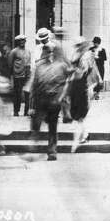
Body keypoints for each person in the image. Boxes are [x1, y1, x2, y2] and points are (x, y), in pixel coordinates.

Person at [29, 30, 72, 160]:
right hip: (41, 99)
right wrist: (31, 105)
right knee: (37, 122)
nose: (49, 54)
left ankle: (52, 151)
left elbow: (69, 82)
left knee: (52, 125)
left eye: (51, 52)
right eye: (47, 52)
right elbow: (34, 86)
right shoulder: (39, 66)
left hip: (54, 100)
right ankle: (35, 138)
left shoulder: (62, 65)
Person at [67, 37, 101, 152]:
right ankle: (84, 134)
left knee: (81, 113)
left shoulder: (86, 56)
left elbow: (84, 71)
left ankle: (82, 136)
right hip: (79, 85)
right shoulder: (80, 54)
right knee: (80, 114)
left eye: (79, 45)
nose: (77, 47)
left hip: (84, 85)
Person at [2, 34, 31, 117]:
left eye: (23, 40)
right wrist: (11, 76)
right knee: (17, 94)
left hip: (27, 75)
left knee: (27, 94)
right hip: (18, 75)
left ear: (25, 41)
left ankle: (26, 111)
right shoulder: (14, 51)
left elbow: (29, 63)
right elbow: (10, 64)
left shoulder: (28, 51)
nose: (22, 42)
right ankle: (16, 111)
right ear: (17, 42)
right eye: (20, 41)